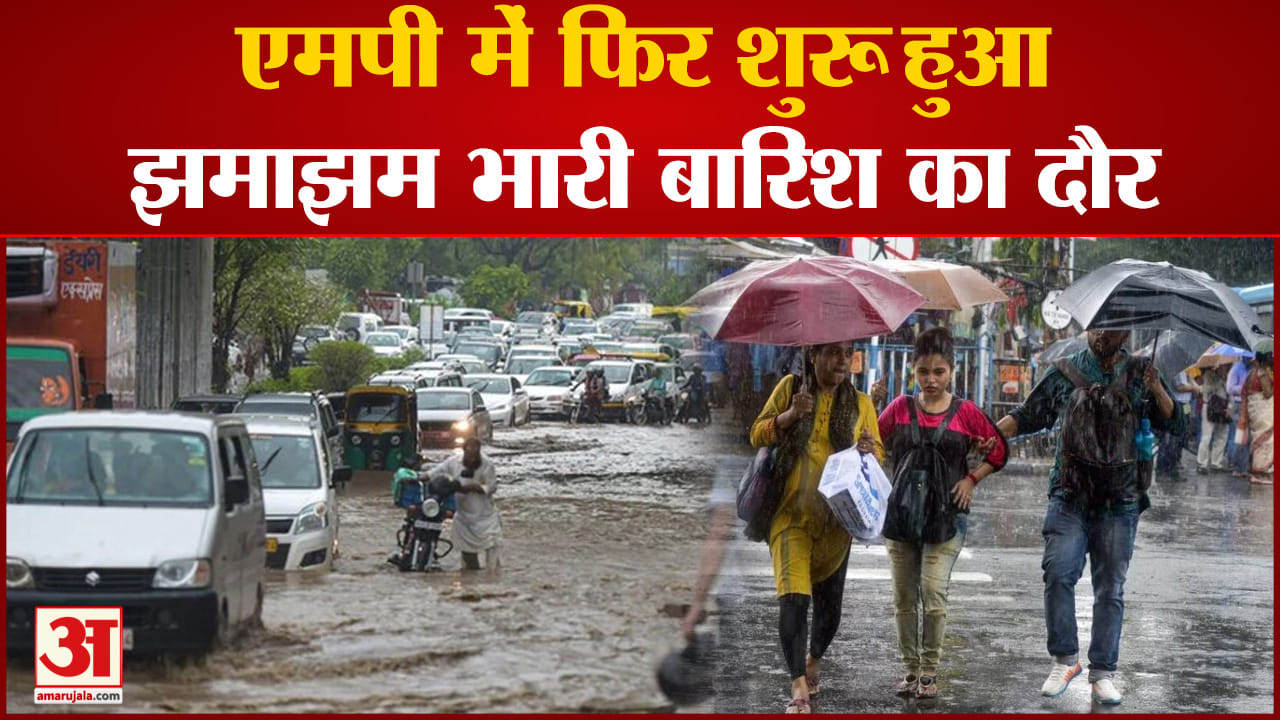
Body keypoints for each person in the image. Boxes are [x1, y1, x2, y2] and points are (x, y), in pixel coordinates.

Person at [994, 329, 1183, 706]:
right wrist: (986, 435)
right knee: (1059, 571)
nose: (1102, 335)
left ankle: (1103, 673)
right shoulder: (1065, 372)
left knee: (1110, 587)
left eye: (1111, 328)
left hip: (1121, 500)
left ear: (1125, 332)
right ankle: (1064, 659)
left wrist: (1157, 390)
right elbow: (1028, 414)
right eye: (1096, 327)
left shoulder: (1141, 373)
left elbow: (1176, 425)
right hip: (1069, 495)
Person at [749, 341, 884, 713]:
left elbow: (879, 455)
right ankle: (797, 688)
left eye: (847, 353)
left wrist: (870, 448)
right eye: (834, 352)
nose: (842, 361)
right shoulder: (791, 388)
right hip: (790, 515)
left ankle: (814, 660)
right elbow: (757, 433)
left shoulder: (861, 404)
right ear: (814, 354)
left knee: (830, 610)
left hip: (837, 523)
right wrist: (790, 415)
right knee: (793, 597)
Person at [877, 328, 1008, 699]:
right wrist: (870, 431)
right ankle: (910, 669)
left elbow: (999, 451)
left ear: (952, 370)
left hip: (947, 519)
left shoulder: (967, 414)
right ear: (913, 372)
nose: (931, 380)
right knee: (904, 597)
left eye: (939, 372)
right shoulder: (898, 409)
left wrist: (971, 478)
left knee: (932, 592)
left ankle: (929, 670)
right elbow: (871, 443)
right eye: (923, 372)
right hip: (901, 519)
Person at [424, 437, 501, 570]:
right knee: (467, 555)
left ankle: (492, 578)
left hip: (486, 515)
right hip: (464, 515)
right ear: (464, 450)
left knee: (492, 547)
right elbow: (435, 472)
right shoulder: (454, 462)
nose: (472, 459)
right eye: (469, 455)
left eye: (475, 456)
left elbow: (492, 487)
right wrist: (416, 477)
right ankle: (471, 578)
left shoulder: (487, 464)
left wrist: (472, 487)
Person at [1237, 349, 1274, 485]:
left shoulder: (1251, 372)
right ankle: (1261, 474)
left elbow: (1246, 391)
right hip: (1262, 410)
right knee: (1266, 440)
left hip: (1254, 410)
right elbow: (1268, 393)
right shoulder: (1262, 372)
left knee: (1257, 439)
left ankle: (1256, 472)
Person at [1157, 369, 1196, 476]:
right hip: (1178, 404)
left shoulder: (1186, 370)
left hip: (1184, 405)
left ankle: (1171, 466)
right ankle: (1167, 469)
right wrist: (1194, 387)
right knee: (1171, 440)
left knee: (1178, 439)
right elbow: (1180, 387)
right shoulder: (1178, 369)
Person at [1196, 364, 1232, 473]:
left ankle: (1216, 462)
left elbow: (1230, 392)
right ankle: (1202, 463)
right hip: (1210, 407)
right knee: (1207, 436)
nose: (1224, 367)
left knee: (1222, 435)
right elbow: (1206, 391)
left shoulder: (1227, 375)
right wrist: (1219, 379)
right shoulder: (1208, 375)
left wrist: (1229, 407)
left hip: (1223, 408)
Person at [1226, 358, 1252, 478]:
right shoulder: (1236, 368)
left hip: (1248, 404)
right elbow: (1229, 388)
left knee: (1246, 438)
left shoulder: (1251, 369)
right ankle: (1235, 465)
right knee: (1238, 437)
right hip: (1238, 404)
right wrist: (1243, 388)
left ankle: (1243, 467)